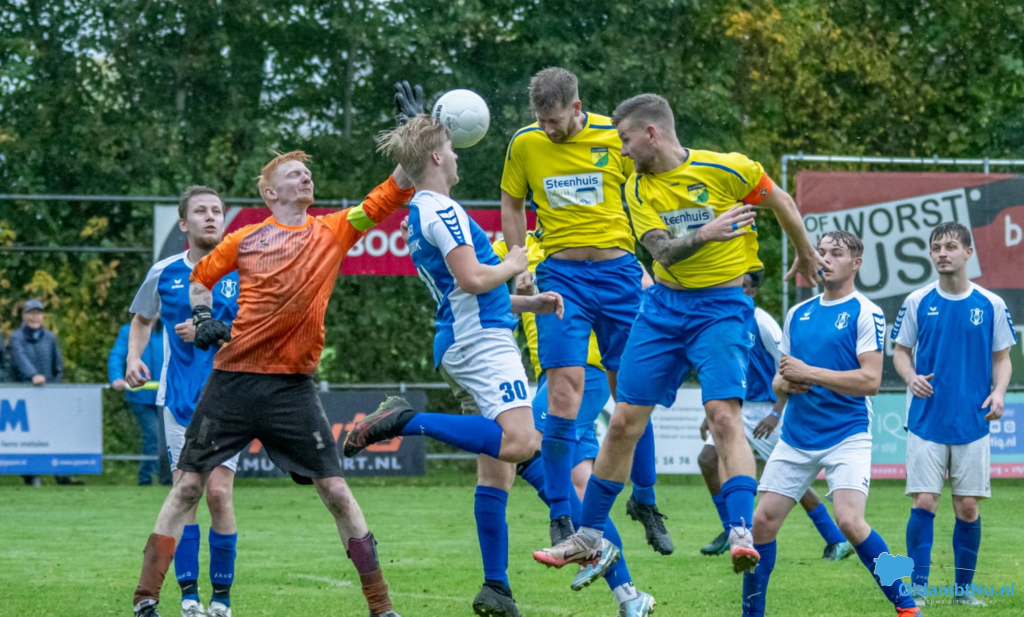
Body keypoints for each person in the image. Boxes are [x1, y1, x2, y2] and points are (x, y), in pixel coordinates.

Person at [534, 93, 824, 577]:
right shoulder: (636, 190)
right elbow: (664, 252)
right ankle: (587, 536)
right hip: (663, 308)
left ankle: (739, 532)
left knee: (723, 416)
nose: (621, 152)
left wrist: (805, 251)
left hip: (723, 308)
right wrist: (706, 234)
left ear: (651, 133)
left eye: (625, 140)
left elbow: (781, 200)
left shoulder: (728, 169)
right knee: (625, 420)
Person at [128, 149, 413, 617]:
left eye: (307, 172)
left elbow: (388, 195)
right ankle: (146, 599)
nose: (305, 177)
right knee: (188, 489)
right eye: (293, 174)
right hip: (232, 383)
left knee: (337, 492)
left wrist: (412, 147)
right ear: (269, 193)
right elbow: (199, 277)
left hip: (292, 388)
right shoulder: (244, 239)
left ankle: (381, 608)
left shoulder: (333, 229)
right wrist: (202, 317)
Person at [344, 114, 564, 617]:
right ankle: (405, 421)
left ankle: (497, 587)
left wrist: (531, 303)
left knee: (496, 471)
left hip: (467, 337)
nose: (460, 155)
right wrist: (516, 260)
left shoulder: (421, 213)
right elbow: (470, 280)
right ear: (438, 157)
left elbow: (465, 293)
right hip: (482, 345)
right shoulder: (442, 213)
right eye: (452, 148)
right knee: (523, 442)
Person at [500, 67, 671, 553]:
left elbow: (646, 188)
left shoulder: (614, 138)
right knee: (562, 396)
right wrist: (519, 264)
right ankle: (559, 513)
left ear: (577, 108)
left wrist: (652, 255)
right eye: (541, 120)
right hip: (562, 278)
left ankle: (646, 499)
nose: (548, 129)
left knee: (632, 394)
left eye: (554, 120)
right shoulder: (525, 144)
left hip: (619, 275)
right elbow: (512, 204)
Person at [740, 230, 919, 617]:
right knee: (762, 522)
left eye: (835, 253)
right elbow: (781, 378)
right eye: (820, 252)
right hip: (797, 435)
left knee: (850, 521)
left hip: (846, 434)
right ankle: (751, 614)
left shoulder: (865, 310)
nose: (825, 259)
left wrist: (811, 373)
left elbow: (870, 381)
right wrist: (785, 384)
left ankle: (906, 605)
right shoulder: (797, 314)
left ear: (856, 263)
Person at [495, 232, 655, 617]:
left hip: (588, 371)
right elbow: (474, 276)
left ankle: (575, 534)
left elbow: (646, 289)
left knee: (524, 443)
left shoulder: (593, 242)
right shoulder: (514, 246)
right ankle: (630, 596)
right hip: (552, 377)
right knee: (580, 483)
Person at [127, 186, 242, 617]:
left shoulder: (242, 271)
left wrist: (214, 331)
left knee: (218, 493)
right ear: (184, 223)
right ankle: (190, 596)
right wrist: (134, 358)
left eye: (216, 210)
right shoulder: (165, 271)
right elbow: (142, 319)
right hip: (177, 397)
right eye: (201, 211)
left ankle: (222, 599)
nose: (210, 217)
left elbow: (259, 331)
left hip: (229, 398)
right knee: (188, 490)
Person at [893, 221, 1016, 608]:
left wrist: (998, 392)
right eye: (935, 247)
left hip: (973, 421)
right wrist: (910, 376)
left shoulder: (991, 304)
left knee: (967, 506)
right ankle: (918, 587)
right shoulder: (916, 301)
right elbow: (899, 352)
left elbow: (1003, 359)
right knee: (925, 501)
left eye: (949, 247)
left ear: (968, 253)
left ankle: (963, 592)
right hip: (927, 420)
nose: (941, 253)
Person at [697, 271, 852, 562]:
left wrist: (775, 412)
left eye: (741, 287)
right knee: (707, 460)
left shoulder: (762, 323)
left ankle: (837, 539)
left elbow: (788, 366)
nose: (735, 291)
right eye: (730, 284)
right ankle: (732, 530)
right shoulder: (720, 320)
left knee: (791, 484)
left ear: (752, 293)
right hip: (734, 409)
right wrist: (713, 412)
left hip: (766, 410)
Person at [9, 299, 79, 486]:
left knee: (55, 434)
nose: (35, 316)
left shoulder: (50, 337)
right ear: (24, 315)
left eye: (38, 313)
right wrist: (33, 375)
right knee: (30, 437)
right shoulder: (16, 337)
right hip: (26, 394)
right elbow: (20, 359)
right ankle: (31, 475)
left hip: (50, 395)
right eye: (31, 312)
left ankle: (62, 475)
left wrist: (55, 385)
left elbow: (58, 364)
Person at [109, 317, 169, 486]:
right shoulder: (129, 331)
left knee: (166, 438)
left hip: (165, 395)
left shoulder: (169, 328)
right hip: (140, 396)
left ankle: (159, 477)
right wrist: (116, 378)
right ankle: (147, 478)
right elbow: (117, 355)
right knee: (153, 435)